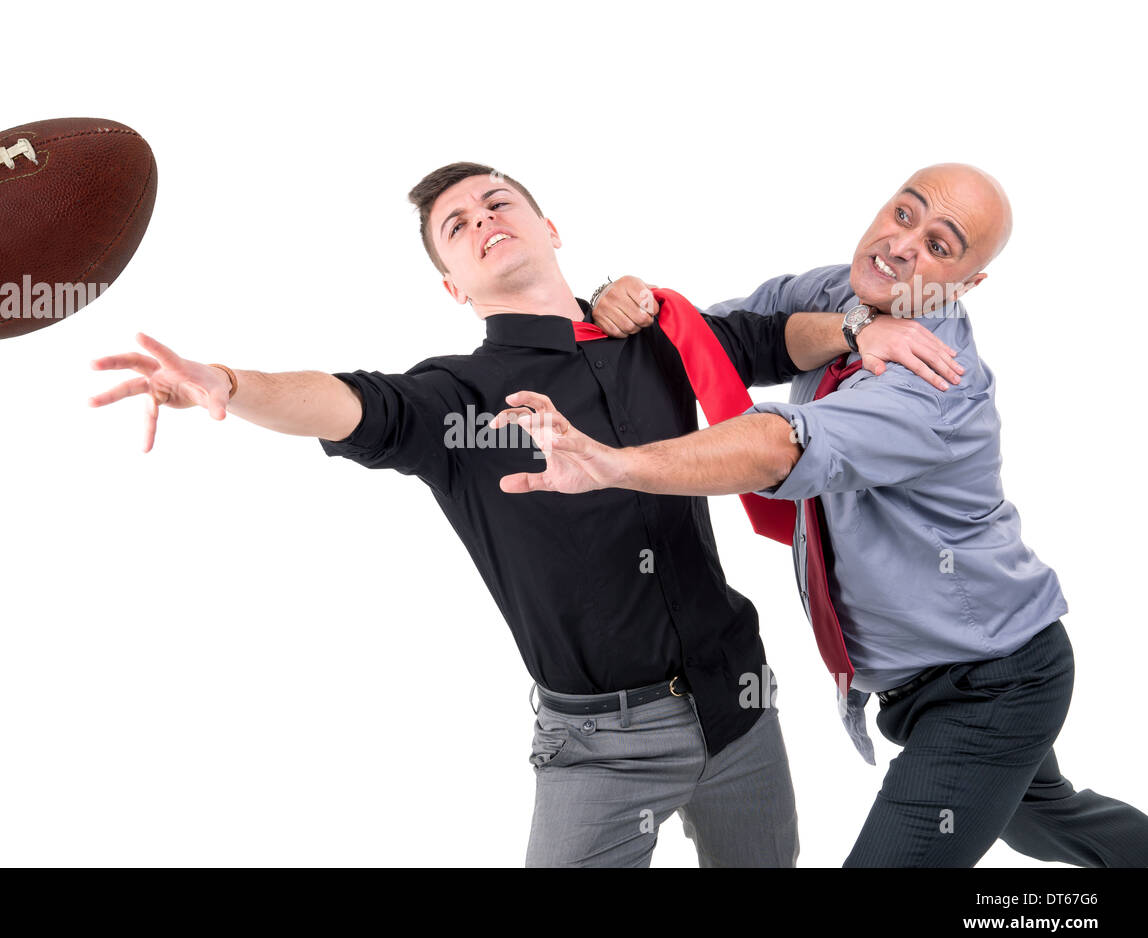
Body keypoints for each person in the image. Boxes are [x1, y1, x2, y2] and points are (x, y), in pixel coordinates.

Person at [89, 162, 957, 867]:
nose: (480, 218)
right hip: (598, 747)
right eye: (456, 227)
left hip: (740, 701)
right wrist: (233, 388)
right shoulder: (449, 401)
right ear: (451, 285)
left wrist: (856, 335)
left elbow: (767, 339)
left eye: (497, 202)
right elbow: (339, 401)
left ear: (550, 229)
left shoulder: (653, 330)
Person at [491, 163, 1148, 867]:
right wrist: (624, 300)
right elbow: (712, 343)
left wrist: (619, 466)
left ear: (965, 284)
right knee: (1048, 815)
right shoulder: (845, 293)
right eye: (904, 214)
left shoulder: (936, 385)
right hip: (952, 669)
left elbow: (780, 448)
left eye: (940, 244)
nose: (902, 246)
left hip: (993, 683)